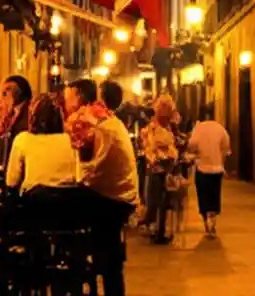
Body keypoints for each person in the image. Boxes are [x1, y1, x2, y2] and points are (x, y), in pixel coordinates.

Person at [72, 79, 138, 296]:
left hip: (113, 199)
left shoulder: (106, 127)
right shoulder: (111, 124)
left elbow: (95, 169)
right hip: (117, 196)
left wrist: (77, 174)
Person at [5, 94, 78, 195]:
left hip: (33, 204)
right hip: (68, 204)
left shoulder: (23, 139)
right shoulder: (71, 141)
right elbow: (79, 177)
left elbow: (11, 182)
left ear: (33, 116)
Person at [141, 94, 181, 242]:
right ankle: (155, 228)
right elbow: (150, 149)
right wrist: (164, 157)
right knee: (155, 201)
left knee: (166, 202)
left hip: (168, 169)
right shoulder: (151, 129)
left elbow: (172, 146)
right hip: (156, 169)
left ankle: (162, 230)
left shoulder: (170, 128)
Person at [188, 103, 231, 237]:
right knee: (214, 195)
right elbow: (226, 147)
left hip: (202, 168)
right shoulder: (220, 129)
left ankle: (206, 223)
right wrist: (221, 161)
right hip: (217, 169)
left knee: (203, 196)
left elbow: (191, 146)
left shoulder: (198, 129)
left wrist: (196, 153)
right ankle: (213, 222)